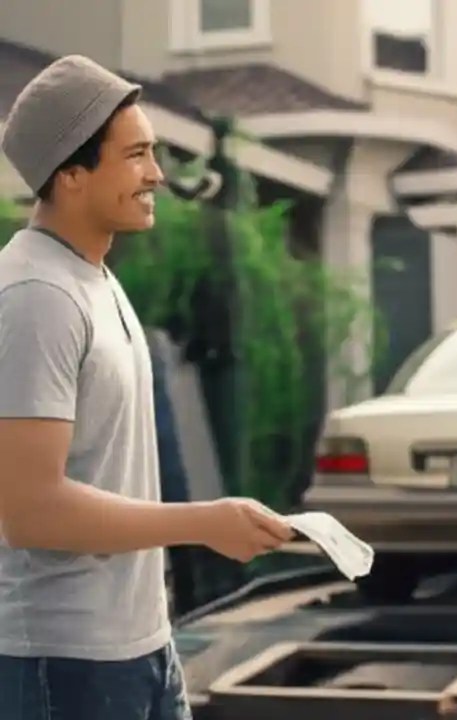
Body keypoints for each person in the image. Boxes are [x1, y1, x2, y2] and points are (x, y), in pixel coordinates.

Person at [0, 55, 295, 719]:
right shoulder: (34, 298)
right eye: (135, 155)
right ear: (71, 175)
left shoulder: (95, 279)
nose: (157, 174)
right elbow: (30, 509)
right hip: (63, 667)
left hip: (141, 651)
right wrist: (203, 523)